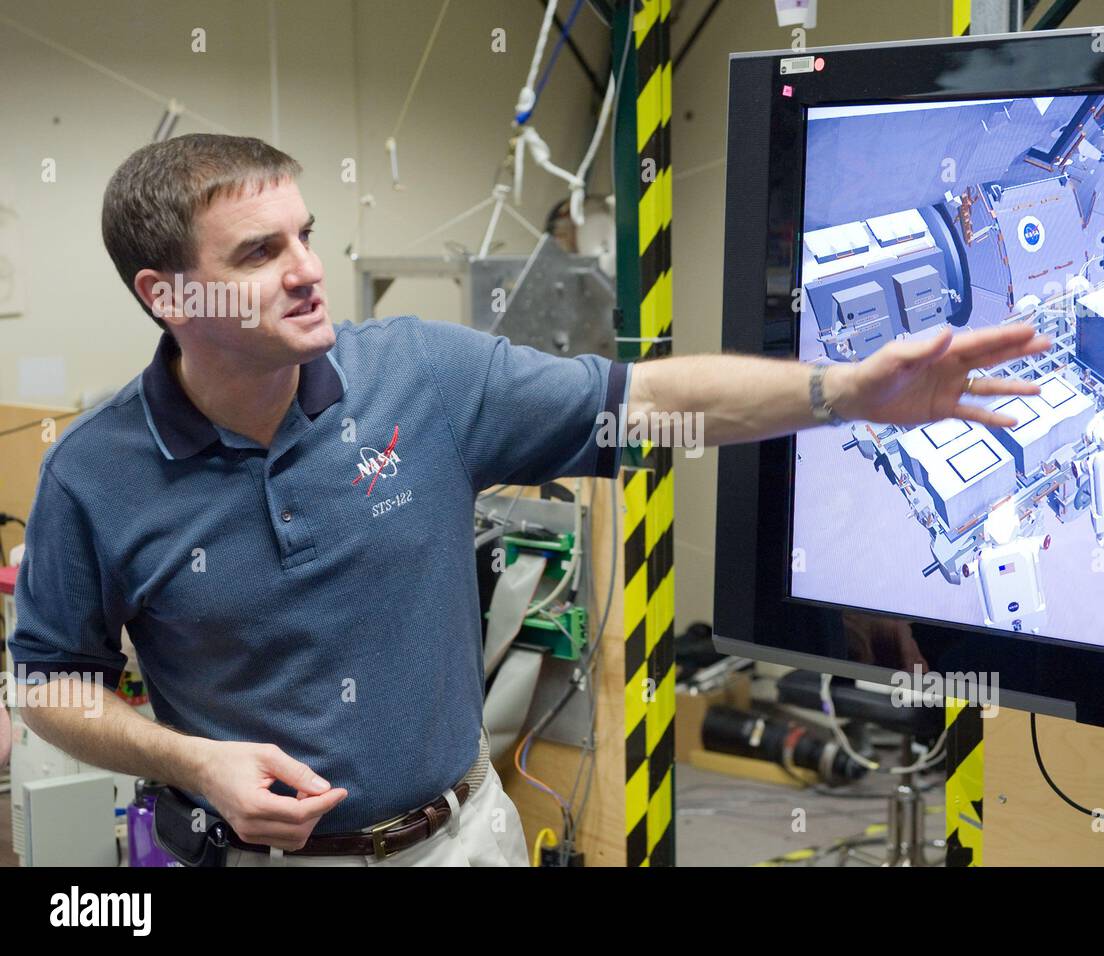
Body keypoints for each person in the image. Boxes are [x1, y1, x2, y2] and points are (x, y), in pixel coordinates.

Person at [9, 133, 1048, 866]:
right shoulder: (95, 472)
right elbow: (51, 686)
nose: (309, 271)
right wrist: (190, 758)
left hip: (464, 840)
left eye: (305, 234)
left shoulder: (422, 375)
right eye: (260, 253)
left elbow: (648, 401)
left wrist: (848, 392)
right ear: (167, 295)